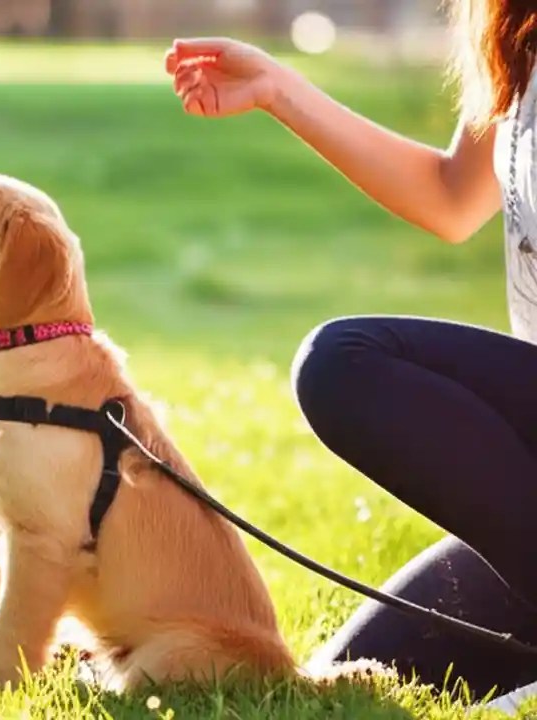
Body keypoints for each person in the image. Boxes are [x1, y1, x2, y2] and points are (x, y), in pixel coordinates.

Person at [164, 1, 537, 703]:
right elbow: (453, 195)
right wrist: (279, 89)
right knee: (341, 687)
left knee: (346, 363)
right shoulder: (519, 28)